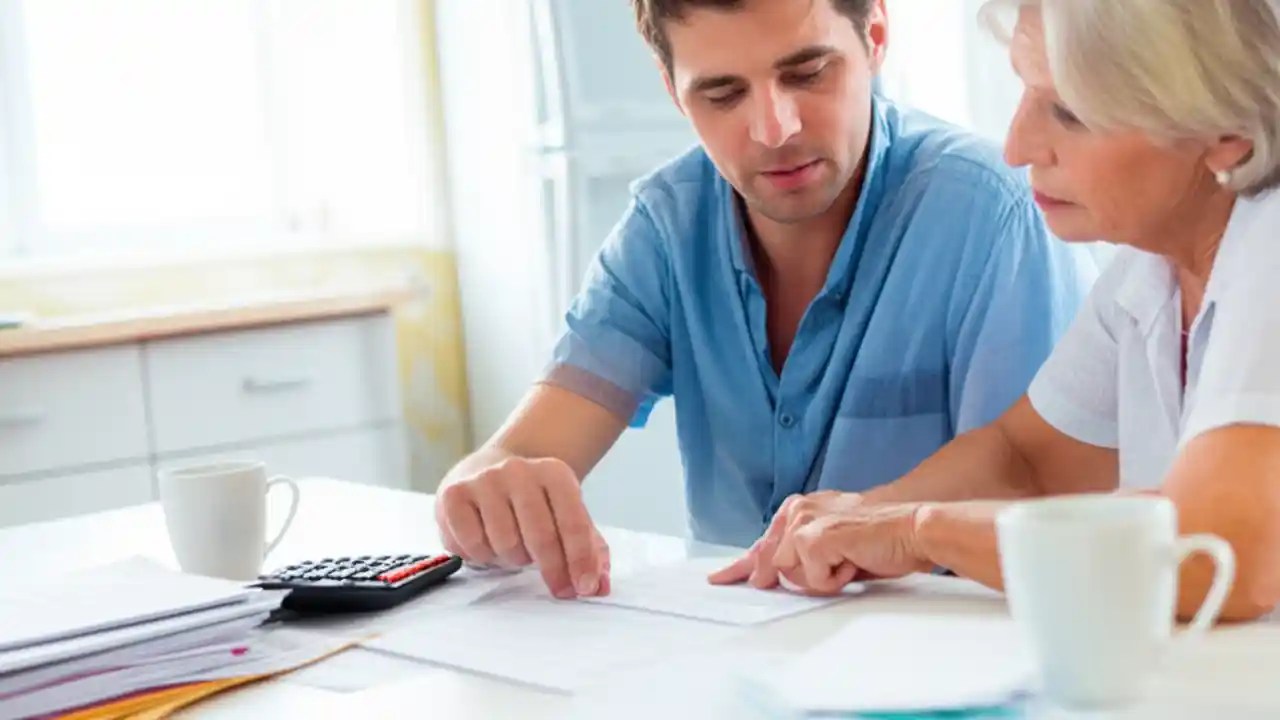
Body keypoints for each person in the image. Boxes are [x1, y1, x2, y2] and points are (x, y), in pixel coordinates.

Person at [435, 0, 1094, 599]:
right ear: (673, 92)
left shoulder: (991, 214)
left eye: (808, 73)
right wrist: (487, 489)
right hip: (737, 652)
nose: (774, 128)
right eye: (722, 94)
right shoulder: (667, 229)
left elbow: (1039, 488)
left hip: (944, 655)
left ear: (877, 39)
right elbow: (522, 450)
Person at [712, 0, 1280, 621]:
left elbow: (1214, 556)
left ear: (1229, 134)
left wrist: (916, 530)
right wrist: (861, 517)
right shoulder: (1148, 271)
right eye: (1027, 95)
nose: (1018, 147)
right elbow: (1026, 460)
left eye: (1069, 113)